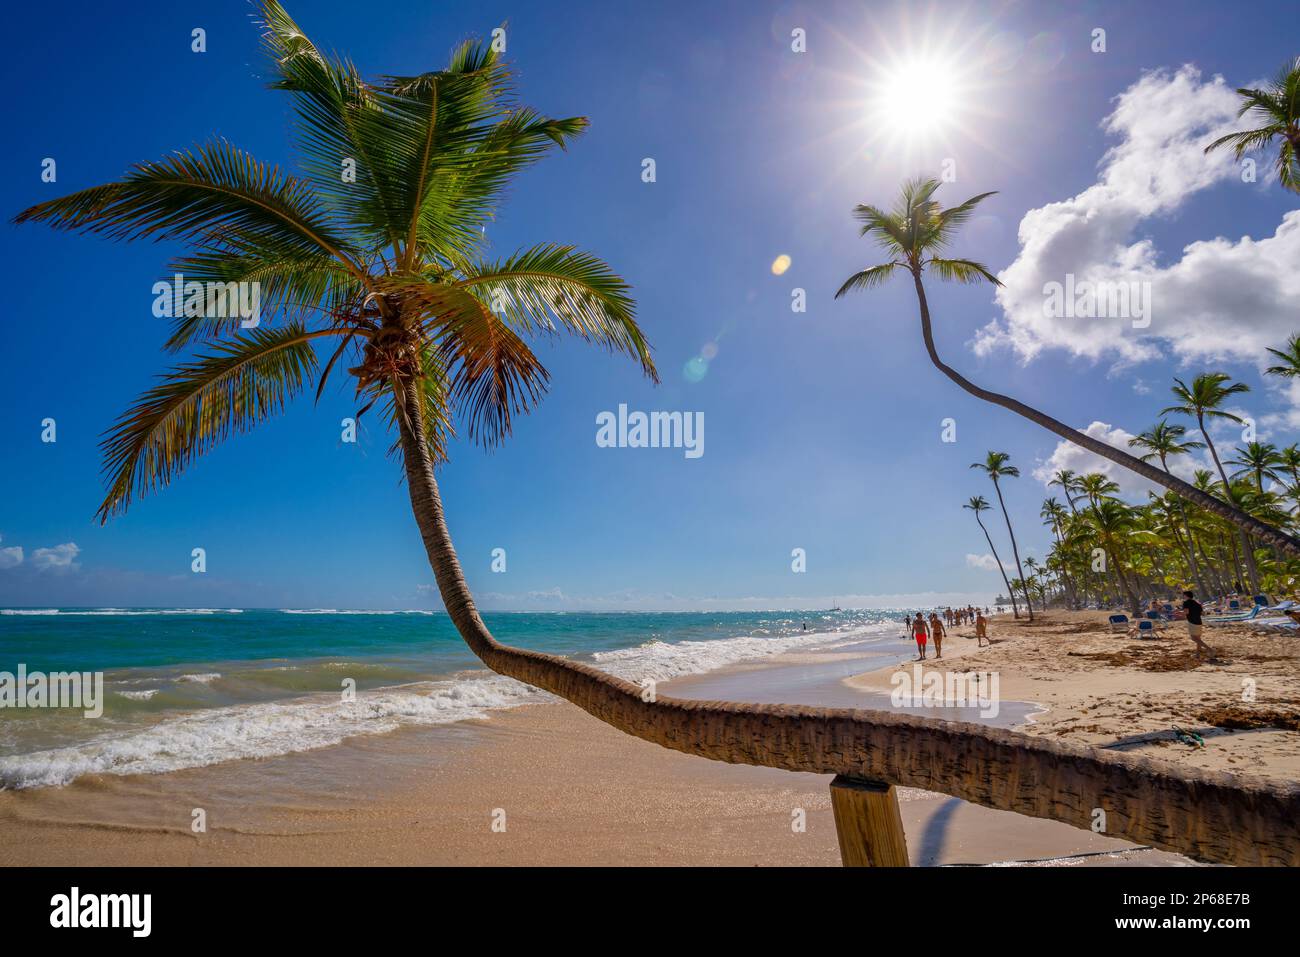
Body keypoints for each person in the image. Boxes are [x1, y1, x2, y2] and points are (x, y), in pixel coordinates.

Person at [1180, 590, 1215, 659]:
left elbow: (1186, 612)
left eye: (1183, 595)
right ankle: (1197, 654)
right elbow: (1202, 613)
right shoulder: (1197, 603)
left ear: (1186, 596)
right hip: (1199, 622)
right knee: (1198, 639)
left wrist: (1180, 613)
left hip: (1192, 622)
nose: (1183, 596)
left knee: (1194, 638)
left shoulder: (1186, 602)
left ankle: (1210, 649)